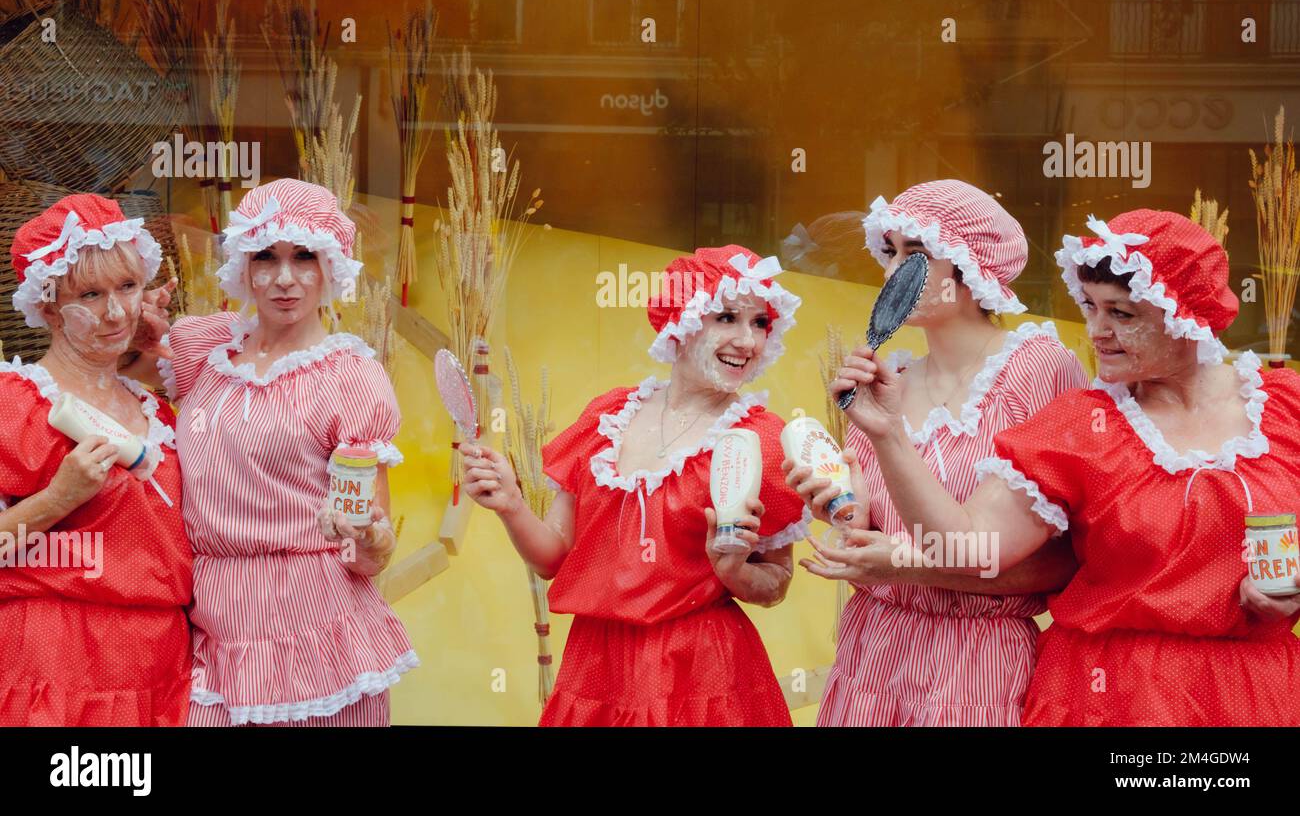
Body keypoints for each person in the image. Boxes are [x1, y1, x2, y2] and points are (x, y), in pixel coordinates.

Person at [832, 209, 1300, 725]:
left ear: (1185, 315)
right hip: (1110, 698)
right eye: (1091, 308)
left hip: (1255, 694)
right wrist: (889, 434)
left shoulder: (1285, 409)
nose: (1097, 331)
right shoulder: (1081, 423)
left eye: (1121, 314)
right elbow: (969, 546)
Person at [463, 246, 809, 725]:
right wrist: (511, 505)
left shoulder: (761, 442)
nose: (747, 340)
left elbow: (775, 584)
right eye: (727, 317)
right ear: (681, 320)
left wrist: (732, 571)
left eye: (760, 323)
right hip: (596, 667)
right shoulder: (606, 419)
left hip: (702, 670)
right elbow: (554, 560)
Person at [787, 180, 1088, 726]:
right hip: (871, 654)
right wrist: (841, 511)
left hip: (976, 664)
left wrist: (905, 566)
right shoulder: (890, 376)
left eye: (916, 254)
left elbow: (1063, 562)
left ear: (970, 266)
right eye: (892, 252)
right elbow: (867, 543)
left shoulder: (1039, 368)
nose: (892, 272)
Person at [138, 178, 416, 726]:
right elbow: (106, 380)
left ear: (331, 266)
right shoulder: (204, 351)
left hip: (315, 626)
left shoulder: (351, 377)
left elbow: (366, 553)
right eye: (266, 257)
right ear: (243, 266)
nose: (285, 278)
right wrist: (132, 313)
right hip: (213, 621)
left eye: (304, 257)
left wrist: (370, 536)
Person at [0, 194, 191, 724]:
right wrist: (57, 498)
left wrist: (166, 352)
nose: (117, 311)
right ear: (47, 306)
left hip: (160, 666)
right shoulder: (12, 403)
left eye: (128, 287)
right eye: (90, 293)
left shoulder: (158, 410)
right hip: (52, 665)